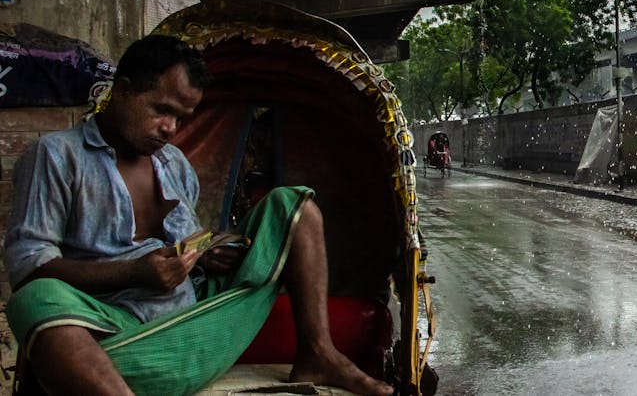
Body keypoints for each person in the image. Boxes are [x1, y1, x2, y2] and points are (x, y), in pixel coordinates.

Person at [4, 35, 391, 395]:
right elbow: (29, 266)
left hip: (198, 323)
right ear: (121, 91)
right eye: (161, 110)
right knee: (33, 299)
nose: (170, 128)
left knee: (296, 207)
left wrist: (208, 251)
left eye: (182, 119)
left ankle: (318, 354)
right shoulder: (56, 156)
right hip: (116, 336)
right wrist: (133, 272)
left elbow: (187, 241)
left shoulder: (173, 162)